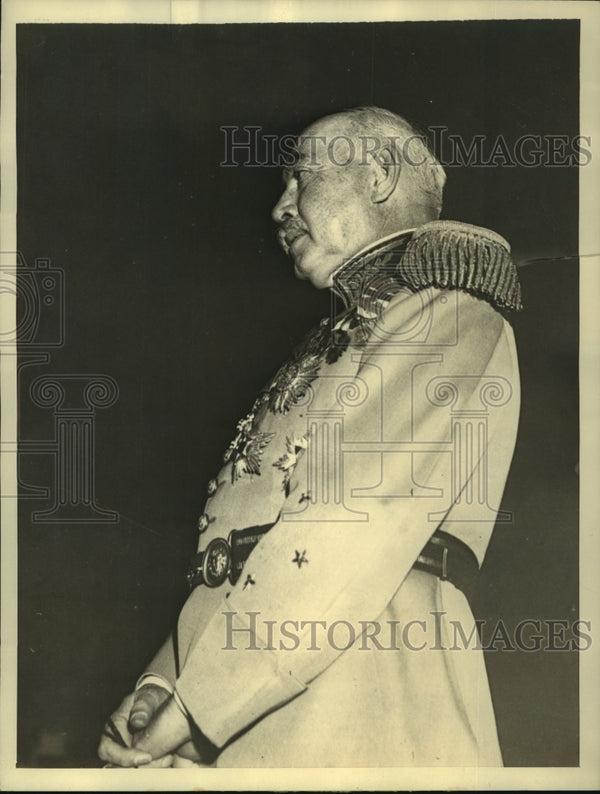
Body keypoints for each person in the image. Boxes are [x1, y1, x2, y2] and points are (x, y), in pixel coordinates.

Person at [98, 106, 522, 768]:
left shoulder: (447, 309)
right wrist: (164, 681)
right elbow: (238, 545)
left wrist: (197, 701)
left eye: (301, 178)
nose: (280, 208)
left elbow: (345, 522)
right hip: (246, 681)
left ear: (381, 173)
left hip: (362, 680)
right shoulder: (334, 338)